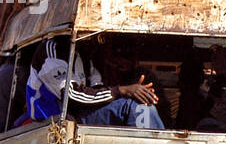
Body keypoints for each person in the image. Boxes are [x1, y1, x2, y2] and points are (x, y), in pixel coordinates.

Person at [26, 36, 164, 129]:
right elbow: (72, 96)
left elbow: (96, 91)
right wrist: (122, 90)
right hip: (54, 118)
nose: (96, 42)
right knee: (133, 107)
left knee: (142, 105)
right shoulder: (51, 51)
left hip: (80, 114)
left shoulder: (84, 58)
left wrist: (132, 93)